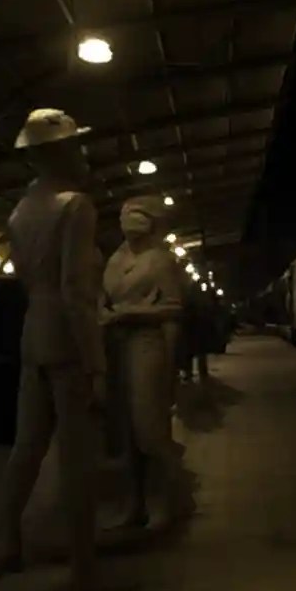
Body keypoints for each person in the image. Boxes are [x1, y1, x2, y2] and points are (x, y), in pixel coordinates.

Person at [0, 109, 105, 591]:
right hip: (67, 339)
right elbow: (76, 290)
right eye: (75, 145)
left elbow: (26, 280)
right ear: (58, 153)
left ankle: (4, 539)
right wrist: (95, 360)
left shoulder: (20, 212)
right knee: (77, 455)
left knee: (27, 446)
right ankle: (83, 566)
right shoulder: (75, 206)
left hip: (32, 334)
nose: (81, 153)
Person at [102, 196, 190, 528]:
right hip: (117, 346)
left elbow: (173, 307)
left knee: (149, 429)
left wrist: (130, 313)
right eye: (125, 214)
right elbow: (104, 296)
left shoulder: (161, 261)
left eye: (138, 215)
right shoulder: (115, 259)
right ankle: (134, 504)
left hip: (146, 344)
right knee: (125, 432)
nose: (130, 220)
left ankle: (170, 500)